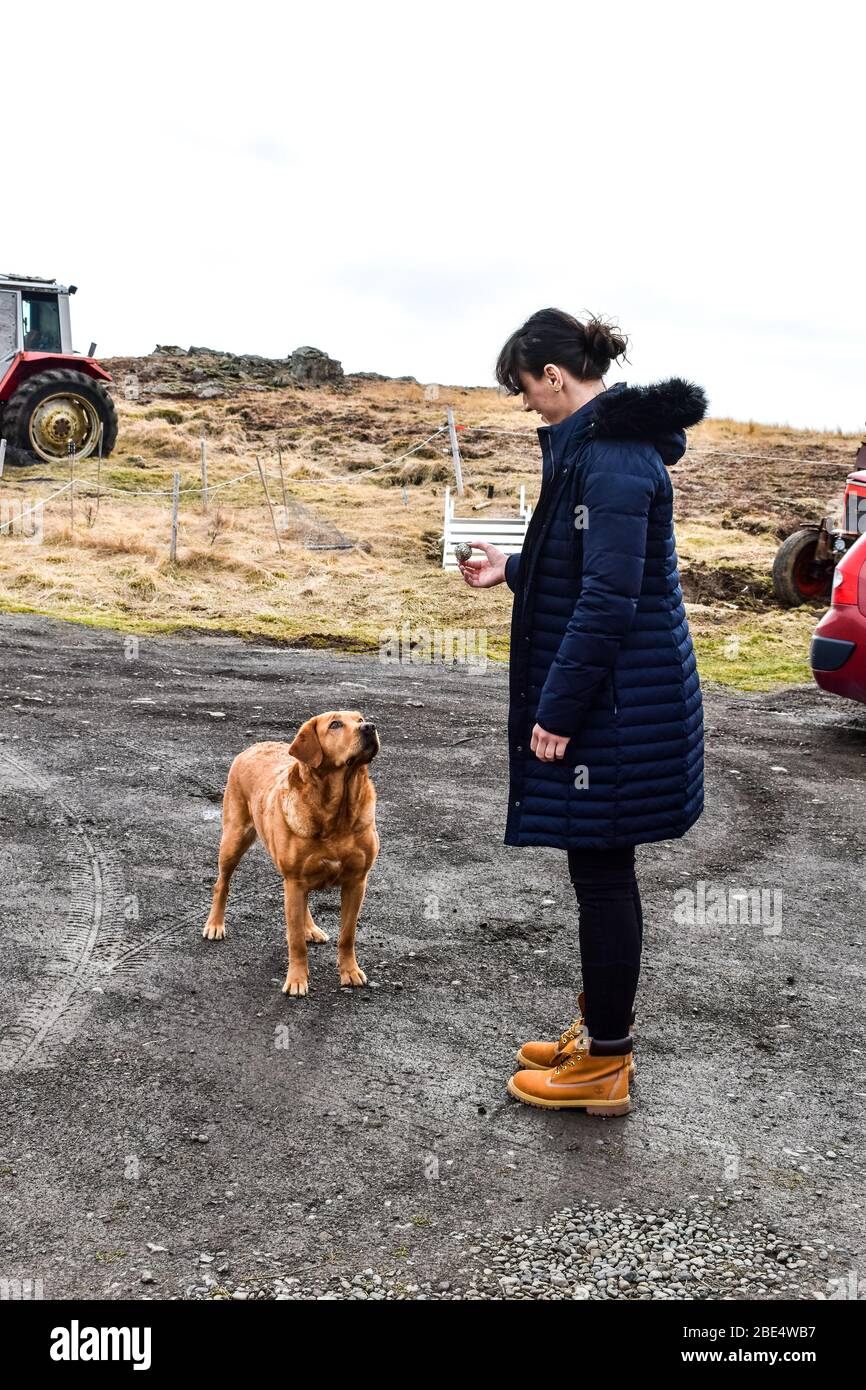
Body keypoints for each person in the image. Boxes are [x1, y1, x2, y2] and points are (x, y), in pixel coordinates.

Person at [459, 307, 707, 1117]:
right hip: (619, 696)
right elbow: (586, 561)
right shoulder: (599, 450)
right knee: (598, 872)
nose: (527, 404)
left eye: (525, 388)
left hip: (614, 703)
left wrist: (557, 712)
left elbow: (609, 598)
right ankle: (601, 1032)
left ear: (556, 376)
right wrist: (515, 567)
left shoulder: (612, 459)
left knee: (603, 877)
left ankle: (605, 1064)